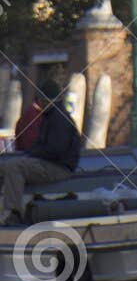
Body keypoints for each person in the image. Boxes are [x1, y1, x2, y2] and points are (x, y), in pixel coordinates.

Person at [1, 72, 83, 225]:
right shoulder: (50, 116)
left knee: (14, 167)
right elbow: (42, 146)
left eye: (41, 100)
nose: (40, 103)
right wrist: (30, 154)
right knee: (7, 166)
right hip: (52, 163)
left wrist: (31, 155)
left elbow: (54, 150)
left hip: (59, 168)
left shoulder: (58, 119)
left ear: (47, 100)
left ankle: (14, 212)